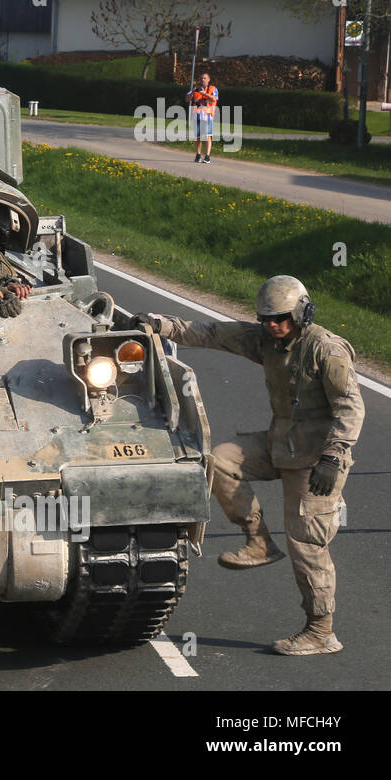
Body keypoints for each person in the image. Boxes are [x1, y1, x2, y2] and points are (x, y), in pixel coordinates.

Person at [128, 276, 363, 655]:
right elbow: (210, 333)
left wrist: (333, 456)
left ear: (303, 312)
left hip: (317, 461)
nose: (273, 326)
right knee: (221, 459)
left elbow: (351, 409)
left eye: (281, 319)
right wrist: (159, 324)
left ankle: (321, 630)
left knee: (306, 543)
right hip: (279, 444)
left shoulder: (326, 350)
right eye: (266, 318)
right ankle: (258, 541)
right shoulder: (265, 340)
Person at [186, 71, 218, 164]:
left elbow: (214, 99)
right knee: (198, 137)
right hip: (197, 115)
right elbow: (187, 99)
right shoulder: (196, 89)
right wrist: (193, 91)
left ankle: (207, 156)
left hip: (207, 115)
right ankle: (198, 155)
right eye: (201, 78)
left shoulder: (213, 89)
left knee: (208, 136)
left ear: (208, 80)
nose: (202, 80)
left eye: (204, 78)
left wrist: (203, 93)